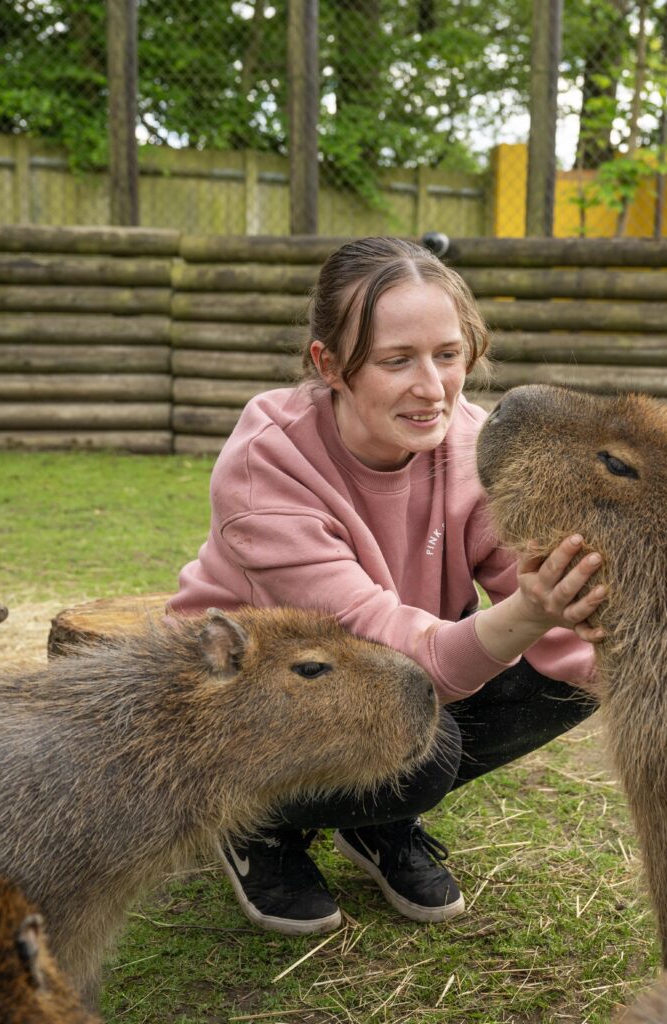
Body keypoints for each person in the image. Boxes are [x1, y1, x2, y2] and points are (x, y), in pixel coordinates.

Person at [168, 236, 603, 935]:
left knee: (577, 674)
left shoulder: (472, 442)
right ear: (329, 364)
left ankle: (376, 820)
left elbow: (547, 597)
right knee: (425, 751)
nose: (432, 389)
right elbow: (396, 649)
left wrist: (645, 678)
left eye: (449, 355)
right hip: (256, 699)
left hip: (389, 674)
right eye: (397, 360)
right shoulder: (266, 467)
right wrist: (530, 612)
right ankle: (257, 827)